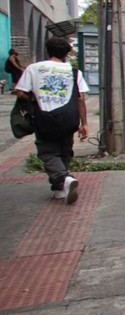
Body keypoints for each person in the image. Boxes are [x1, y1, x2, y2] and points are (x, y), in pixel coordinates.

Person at [14, 37, 89, 204]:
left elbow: (20, 92)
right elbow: (81, 98)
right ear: (67, 54)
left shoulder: (34, 68)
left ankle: (64, 179)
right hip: (69, 117)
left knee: (47, 152)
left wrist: (35, 98)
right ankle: (59, 190)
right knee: (65, 150)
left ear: (47, 50)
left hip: (44, 117)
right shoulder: (74, 71)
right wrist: (84, 123)